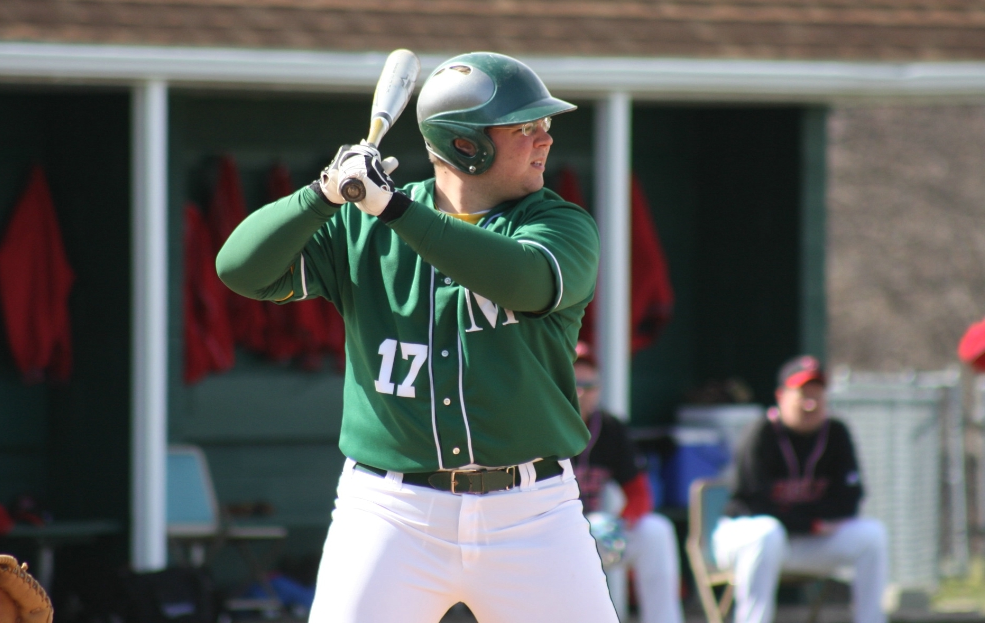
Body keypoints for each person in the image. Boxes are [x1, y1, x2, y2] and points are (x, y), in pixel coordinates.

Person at [216, 52, 618, 623]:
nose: (545, 139)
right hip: (389, 511)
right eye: (524, 128)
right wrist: (323, 193)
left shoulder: (559, 223)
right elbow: (240, 269)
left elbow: (524, 281)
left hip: (532, 513)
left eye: (544, 125)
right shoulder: (363, 222)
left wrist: (393, 207)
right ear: (466, 145)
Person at [711, 356, 888, 623]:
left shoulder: (836, 433)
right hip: (746, 537)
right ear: (781, 396)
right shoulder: (761, 433)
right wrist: (812, 522)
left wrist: (806, 521)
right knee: (767, 532)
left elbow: (849, 500)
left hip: (806, 539)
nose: (810, 403)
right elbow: (754, 504)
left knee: (872, 534)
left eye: (817, 395)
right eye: (803, 394)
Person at [571, 344, 684, 623]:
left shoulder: (610, 428)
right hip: (548, 532)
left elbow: (639, 493)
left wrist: (621, 523)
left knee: (656, 531)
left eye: (589, 385)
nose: (582, 392)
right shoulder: (540, 426)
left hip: (594, 530)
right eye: (575, 383)